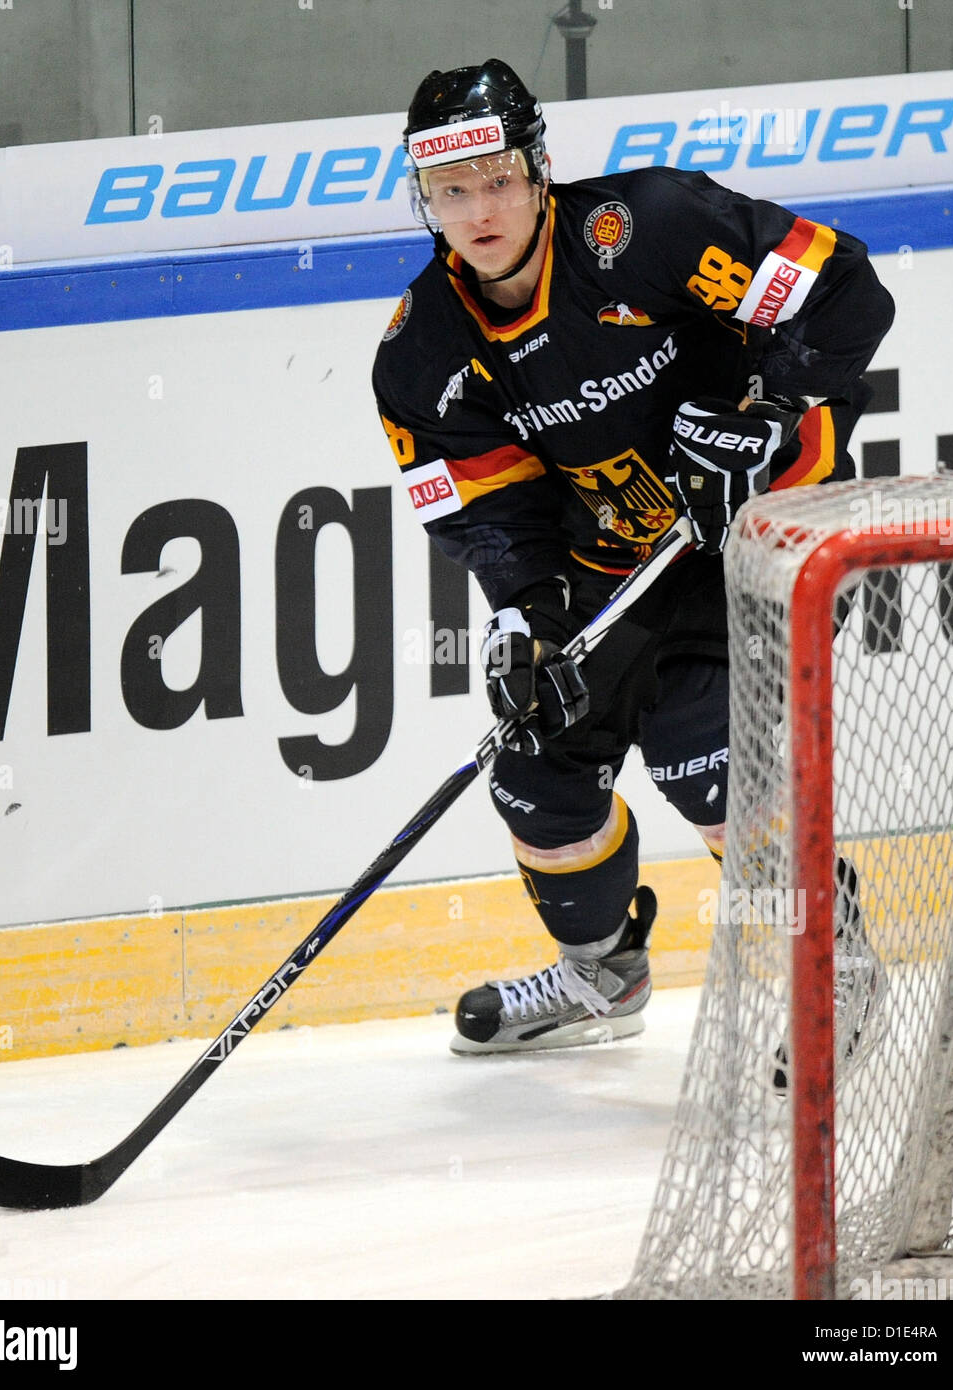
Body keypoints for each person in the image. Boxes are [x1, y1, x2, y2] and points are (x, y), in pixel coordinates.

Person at [372, 59, 894, 1056]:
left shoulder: (643, 228)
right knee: (536, 766)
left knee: (706, 757)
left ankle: (838, 968)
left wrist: (762, 405)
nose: (476, 210)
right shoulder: (420, 356)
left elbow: (845, 292)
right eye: (448, 190)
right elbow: (493, 512)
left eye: (494, 179)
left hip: (761, 527)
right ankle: (600, 977)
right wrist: (523, 615)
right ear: (422, 199)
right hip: (621, 559)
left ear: (536, 170)